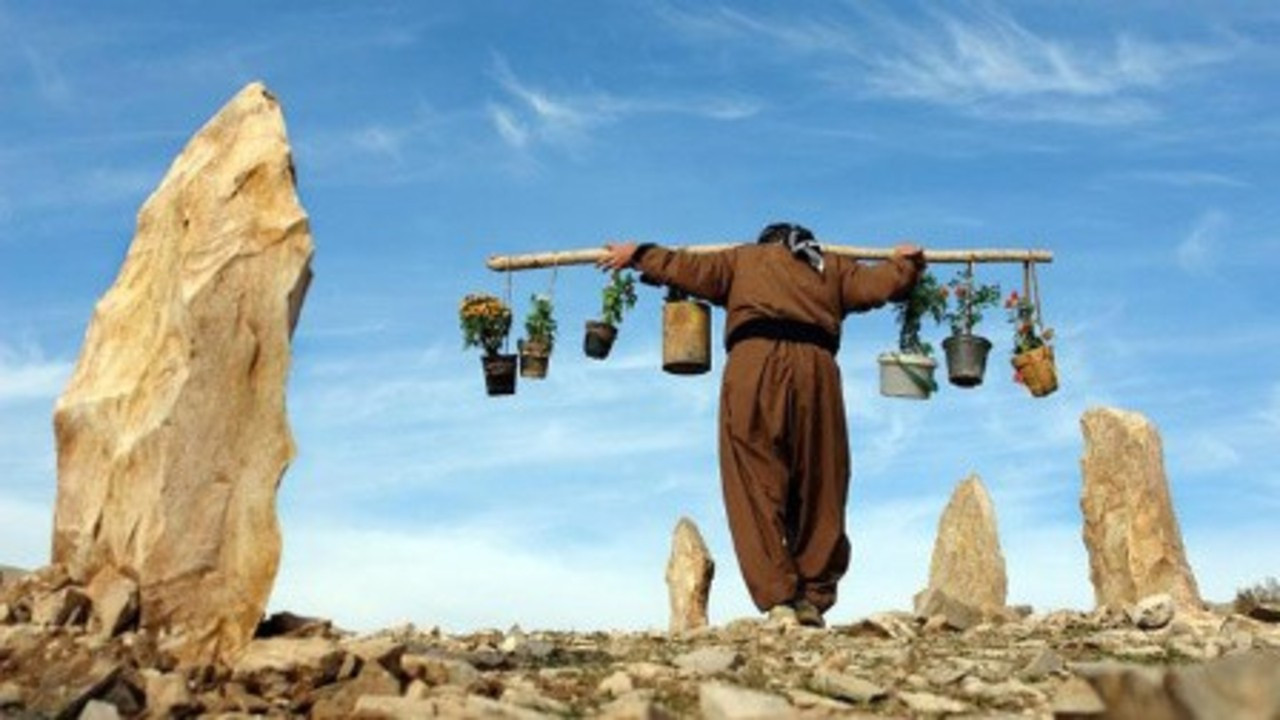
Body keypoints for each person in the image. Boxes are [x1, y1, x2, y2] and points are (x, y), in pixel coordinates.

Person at [598, 223, 925, 627]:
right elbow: (880, 285)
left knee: (753, 482)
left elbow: (688, 269)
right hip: (816, 372)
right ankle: (812, 597)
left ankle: (779, 598)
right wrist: (906, 263)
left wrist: (639, 253)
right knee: (821, 481)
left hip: (754, 366)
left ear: (766, 241)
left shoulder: (741, 259)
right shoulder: (831, 265)